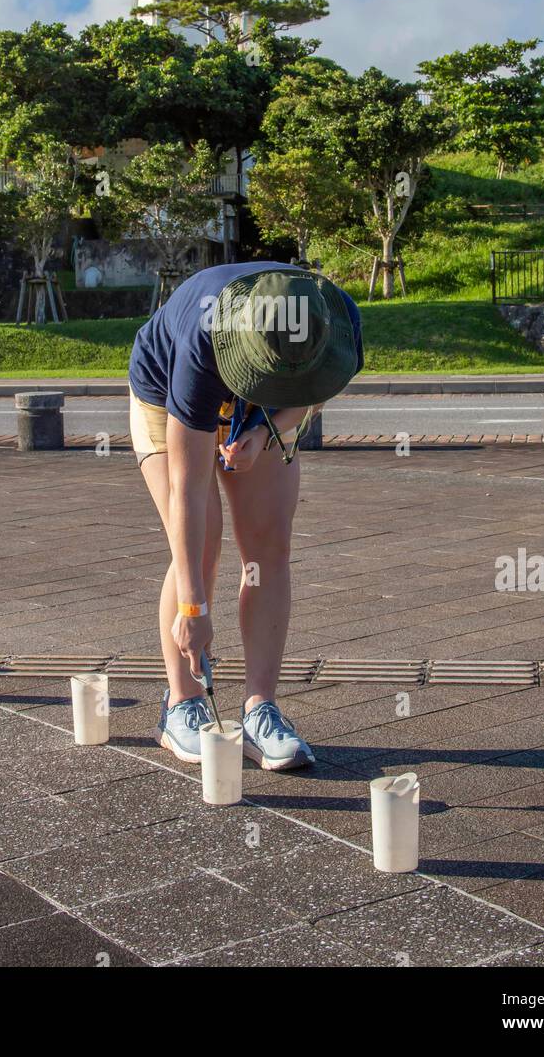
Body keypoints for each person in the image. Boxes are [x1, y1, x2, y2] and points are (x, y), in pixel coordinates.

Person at [128, 262, 364, 770]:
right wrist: (194, 610)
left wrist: (264, 429)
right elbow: (188, 490)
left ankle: (261, 709)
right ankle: (182, 704)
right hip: (166, 396)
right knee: (201, 542)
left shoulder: (336, 316)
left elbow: (320, 388)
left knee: (269, 543)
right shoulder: (201, 340)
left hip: (266, 402)